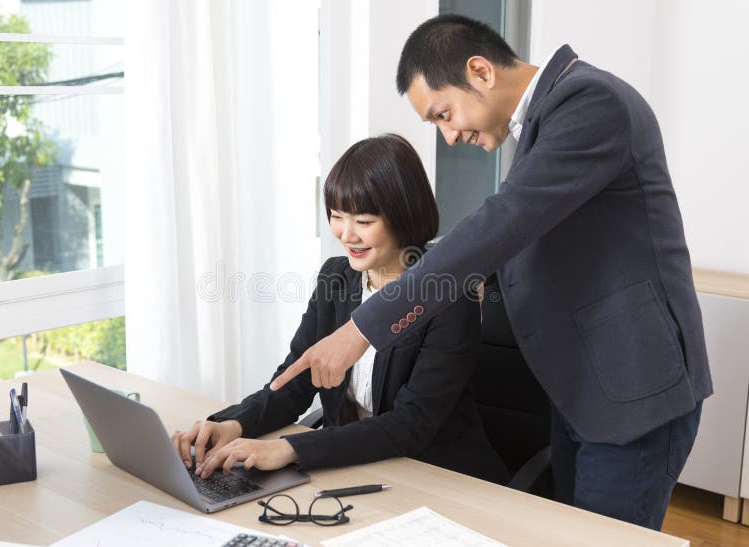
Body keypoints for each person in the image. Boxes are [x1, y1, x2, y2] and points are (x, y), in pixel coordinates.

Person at [270, 14, 713, 530]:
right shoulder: (538, 125)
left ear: (480, 72)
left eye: (443, 114)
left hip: (633, 387)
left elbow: (502, 225)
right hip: (582, 387)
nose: (450, 136)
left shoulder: (591, 103)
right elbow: (524, 245)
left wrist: (361, 329)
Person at [172, 133, 510, 485]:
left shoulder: (448, 293)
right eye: (337, 216)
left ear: (403, 215)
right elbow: (296, 380)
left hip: (441, 479)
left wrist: (290, 448)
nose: (347, 234)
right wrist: (235, 423)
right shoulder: (336, 277)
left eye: (363, 222)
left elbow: (411, 425)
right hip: (361, 469)